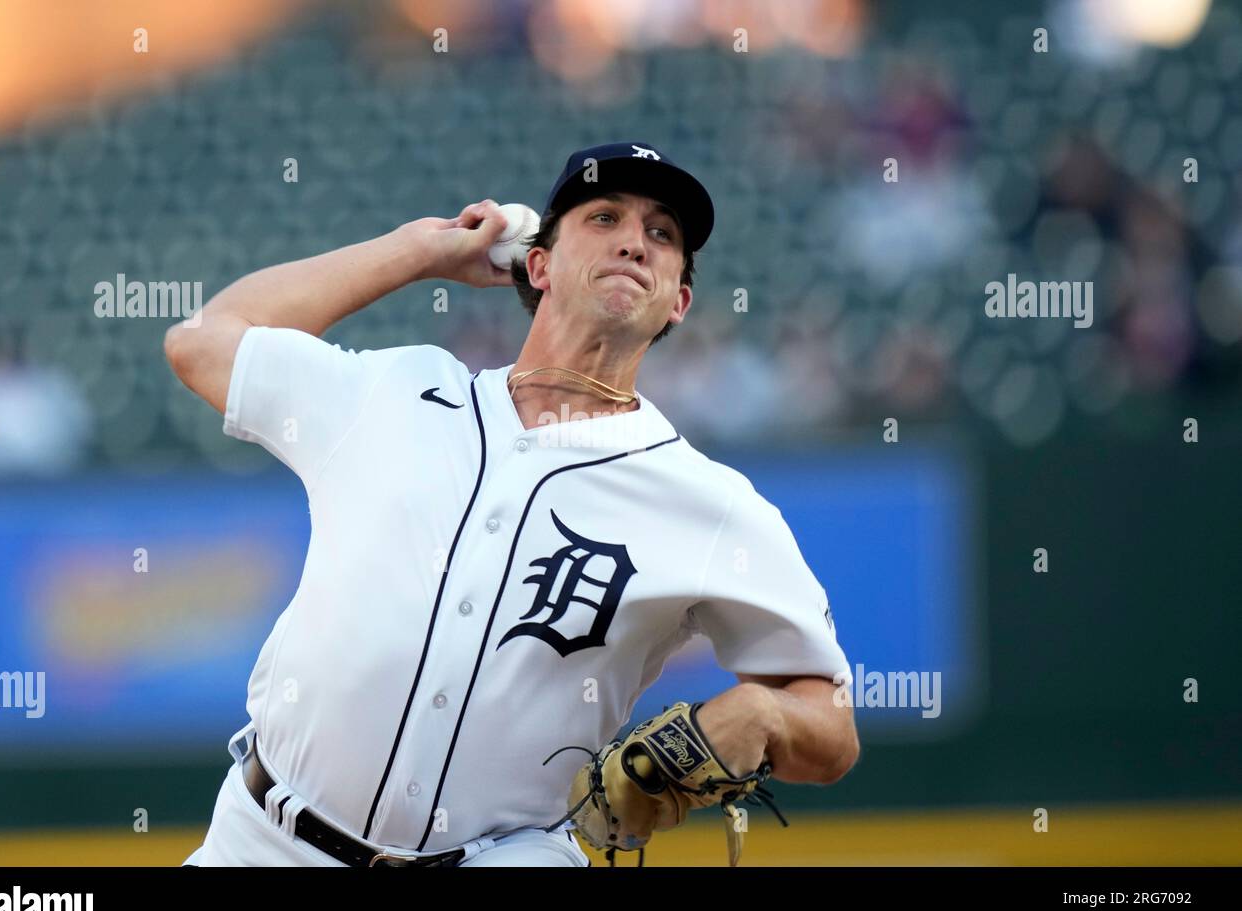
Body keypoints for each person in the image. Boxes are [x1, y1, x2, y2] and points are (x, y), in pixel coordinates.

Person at [164, 142, 858, 867]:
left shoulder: (708, 505)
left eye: (662, 234)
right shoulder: (396, 395)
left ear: (678, 302)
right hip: (263, 844)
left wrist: (766, 710)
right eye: (603, 217)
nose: (634, 240)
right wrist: (415, 253)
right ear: (537, 265)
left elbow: (831, 725)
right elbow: (202, 341)